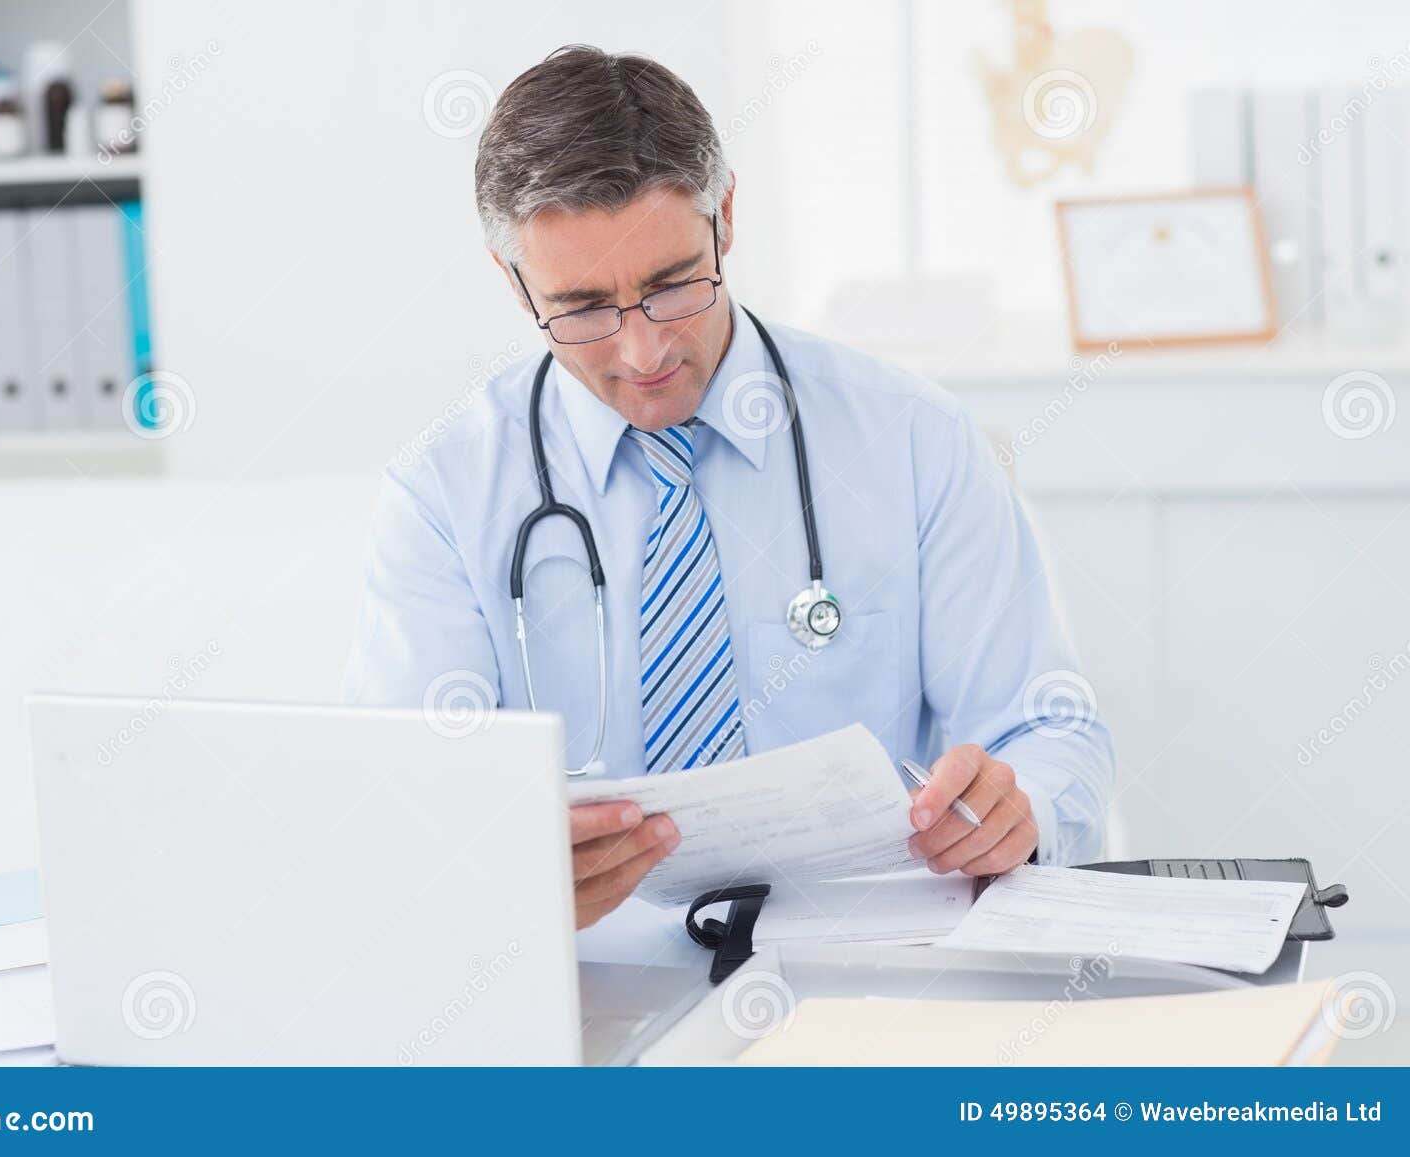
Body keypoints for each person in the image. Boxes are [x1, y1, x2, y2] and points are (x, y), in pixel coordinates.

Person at [343, 45, 1114, 929]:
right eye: (584, 307)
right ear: (514, 282)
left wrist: (1023, 809)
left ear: (727, 217)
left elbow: (1049, 730)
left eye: (673, 286)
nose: (643, 352)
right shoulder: (443, 493)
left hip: (863, 965)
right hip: (584, 973)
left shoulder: (911, 437)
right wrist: (499, 877)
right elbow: (403, 806)